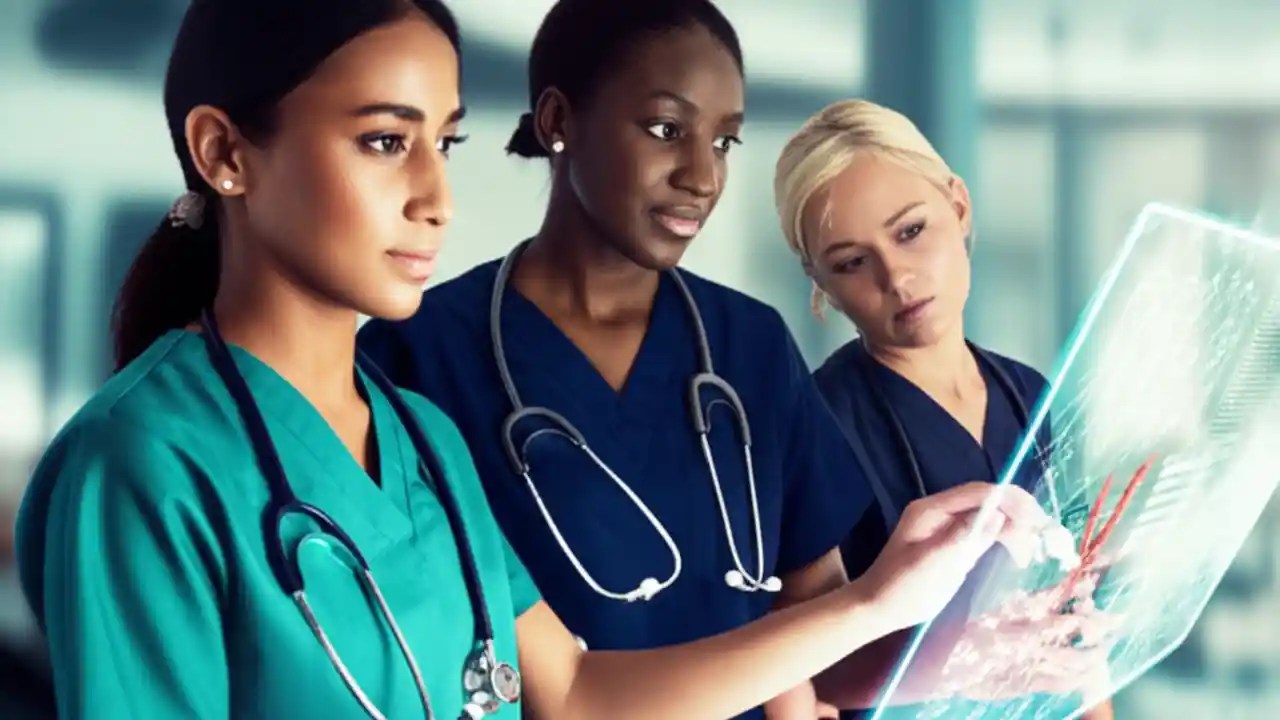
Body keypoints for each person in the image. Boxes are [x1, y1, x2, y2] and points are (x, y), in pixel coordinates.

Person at [14, 3, 1072, 719]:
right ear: (224, 152)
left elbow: (568, 694)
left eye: (447, 142)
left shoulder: (418, 440)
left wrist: (879, 602)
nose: (436, 195)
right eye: (385, 141)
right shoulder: (141, 472)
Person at [357, 2, 1096, 718]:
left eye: (723, 142)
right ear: (558, 122)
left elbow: (820, 653)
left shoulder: (750, 347)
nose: (702, 176)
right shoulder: (418, 356)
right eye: (665, 129)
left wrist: (977, 654)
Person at [773, 98, 1117, 719]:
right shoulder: (813, 425)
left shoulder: (1031, 395)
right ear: (819, 282)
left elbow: (1078, 629)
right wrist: (961, 657)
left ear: (958, 205)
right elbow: (804, 670)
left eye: (910, 231)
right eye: (852, 262)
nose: (898, 278)